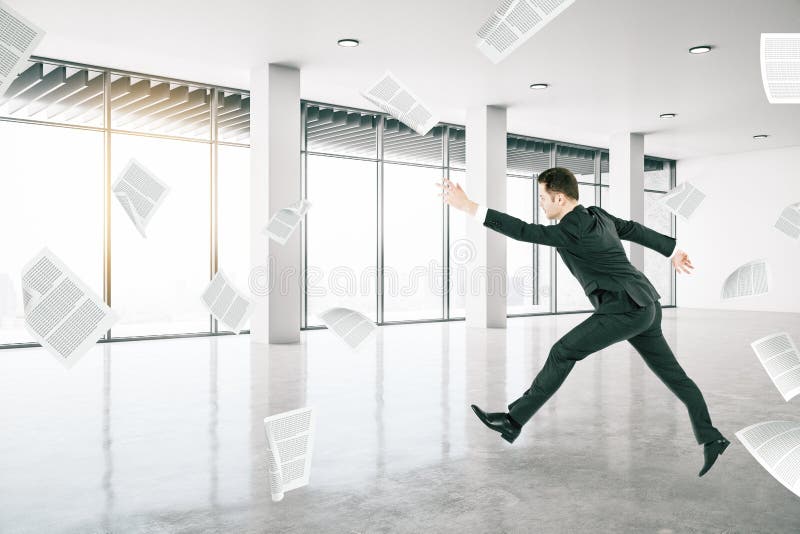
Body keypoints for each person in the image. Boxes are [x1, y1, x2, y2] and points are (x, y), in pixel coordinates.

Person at [437, 167, 729, 477]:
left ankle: (512, 421)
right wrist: (672, 250)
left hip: (624, 309)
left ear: (559, 198)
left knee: (563, 351)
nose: (540, 204)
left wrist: (469, 206)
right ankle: (712, 438)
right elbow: (633, 229)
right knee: (675, 375)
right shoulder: (598, 215)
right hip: (646, 303)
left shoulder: (568, 229)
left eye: (542, 197)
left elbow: (523, 231)